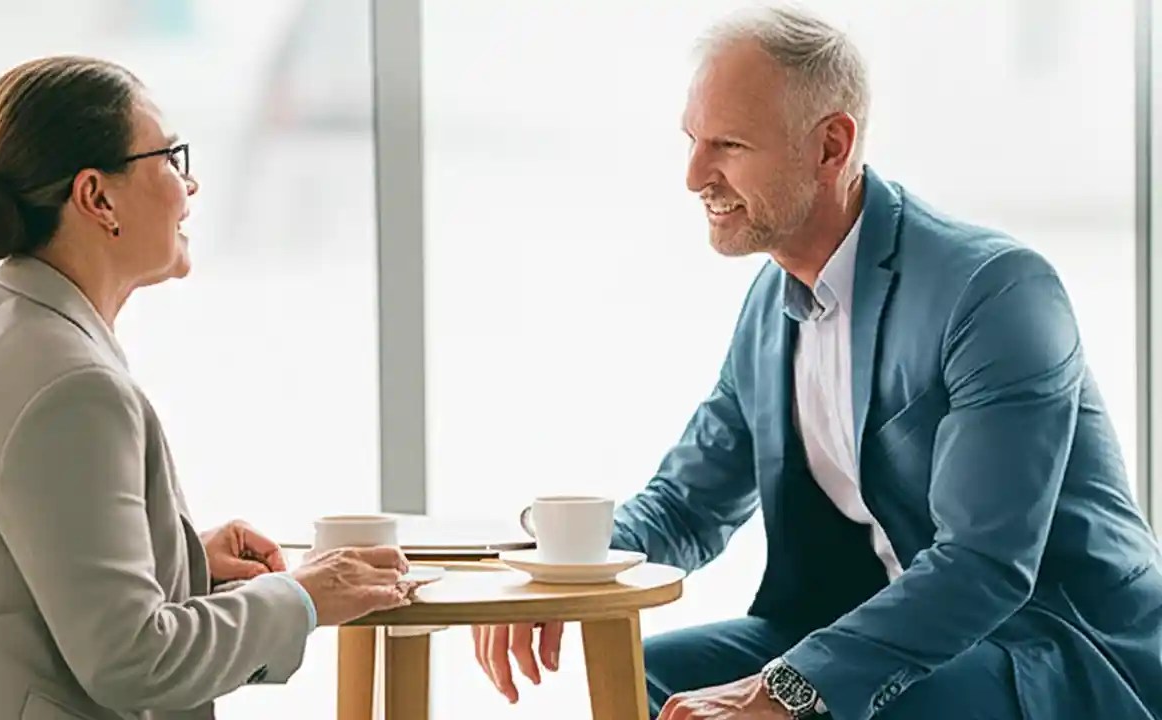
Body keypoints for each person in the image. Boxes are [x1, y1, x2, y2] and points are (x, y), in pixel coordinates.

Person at [472, 6, 1162, 720]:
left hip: (1049, 648)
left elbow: (983, 564)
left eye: (729, 145)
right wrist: (559, 572)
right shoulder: (771, 304)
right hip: (876, 629)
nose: (694, 176)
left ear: (831, 146)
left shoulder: (993, 292)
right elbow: (688, 506)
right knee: (645, 676)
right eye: (692, 140)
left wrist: (789, 688)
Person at [0, 56, 414, 720]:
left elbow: (0, 570)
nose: (190, 185)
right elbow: (136, 661)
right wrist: (303, 599)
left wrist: (178, 559)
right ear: (97, 198)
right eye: (169, 157)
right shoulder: (70, 387)